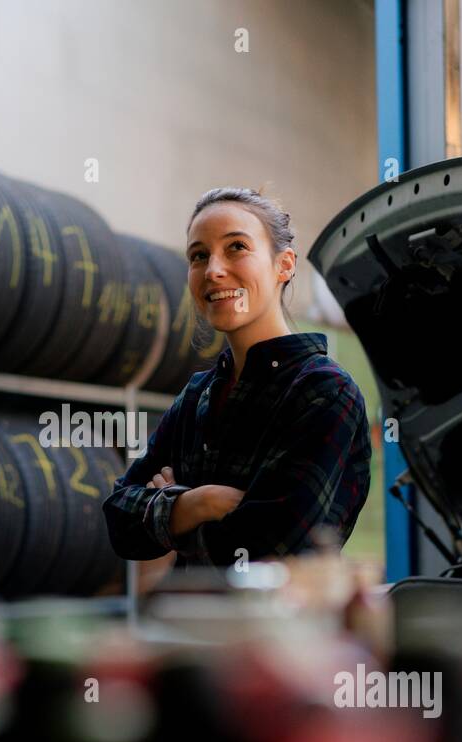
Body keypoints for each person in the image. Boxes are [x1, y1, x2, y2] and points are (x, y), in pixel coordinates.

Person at [102, 186, 372, 572]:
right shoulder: (198, 395)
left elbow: (267, 548)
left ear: (285, 265)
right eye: (199, 255)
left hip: (283, 630)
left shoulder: (325, 391)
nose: (213, 270)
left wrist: (165, 513)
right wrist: (198, 503)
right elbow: (118, 523)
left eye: (236, 247)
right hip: (188, 626)